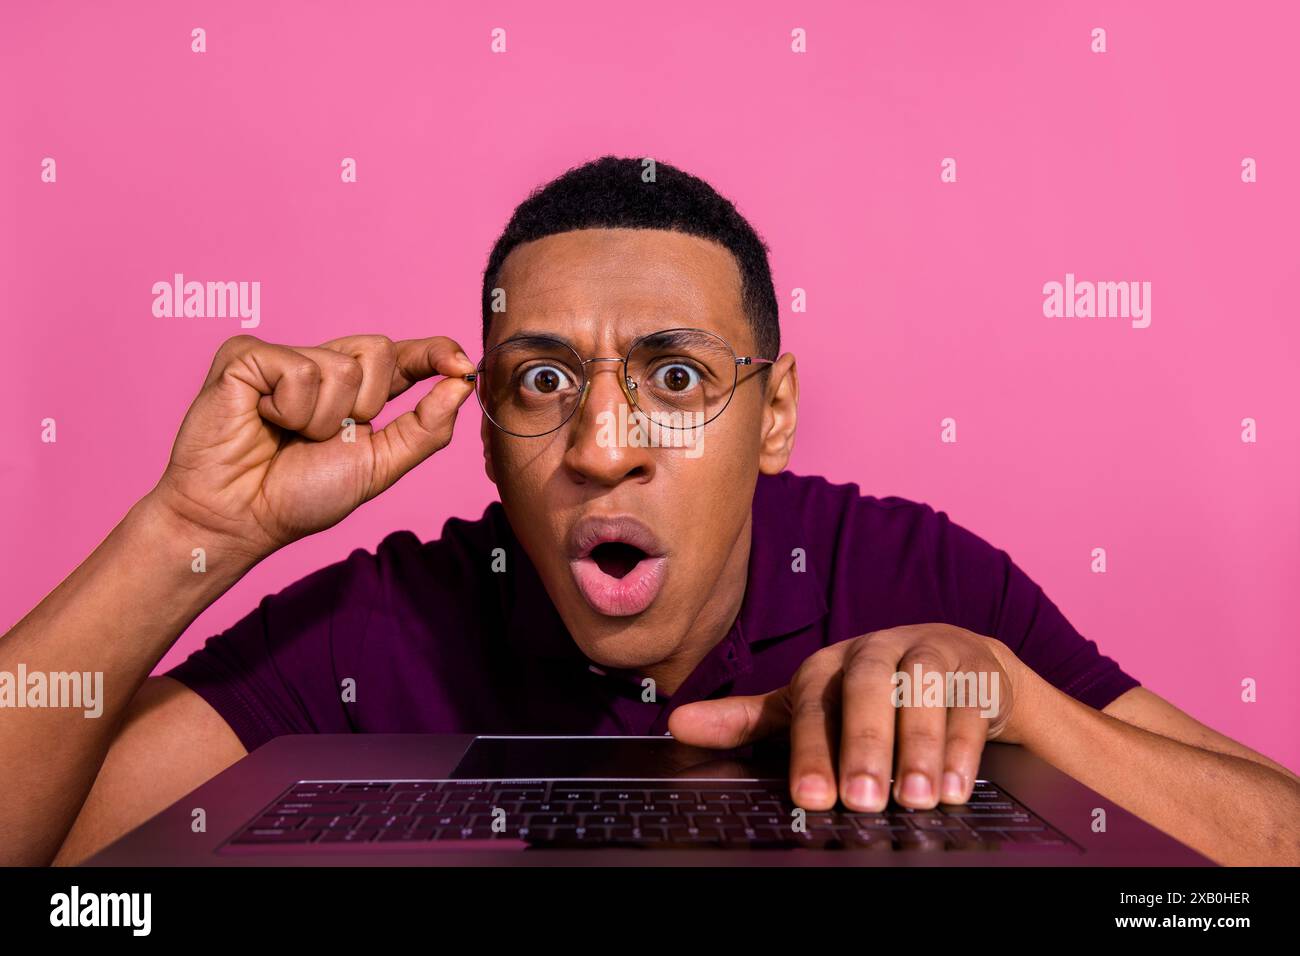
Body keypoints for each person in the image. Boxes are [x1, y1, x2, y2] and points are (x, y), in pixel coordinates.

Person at [3, 156, 1297, 867]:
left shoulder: (914, 574)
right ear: (487, 428)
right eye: (545, 381)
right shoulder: (379, 627)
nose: (603, 446)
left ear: (772, 411)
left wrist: (1029, 708)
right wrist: (197, 529)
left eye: (676, 378)